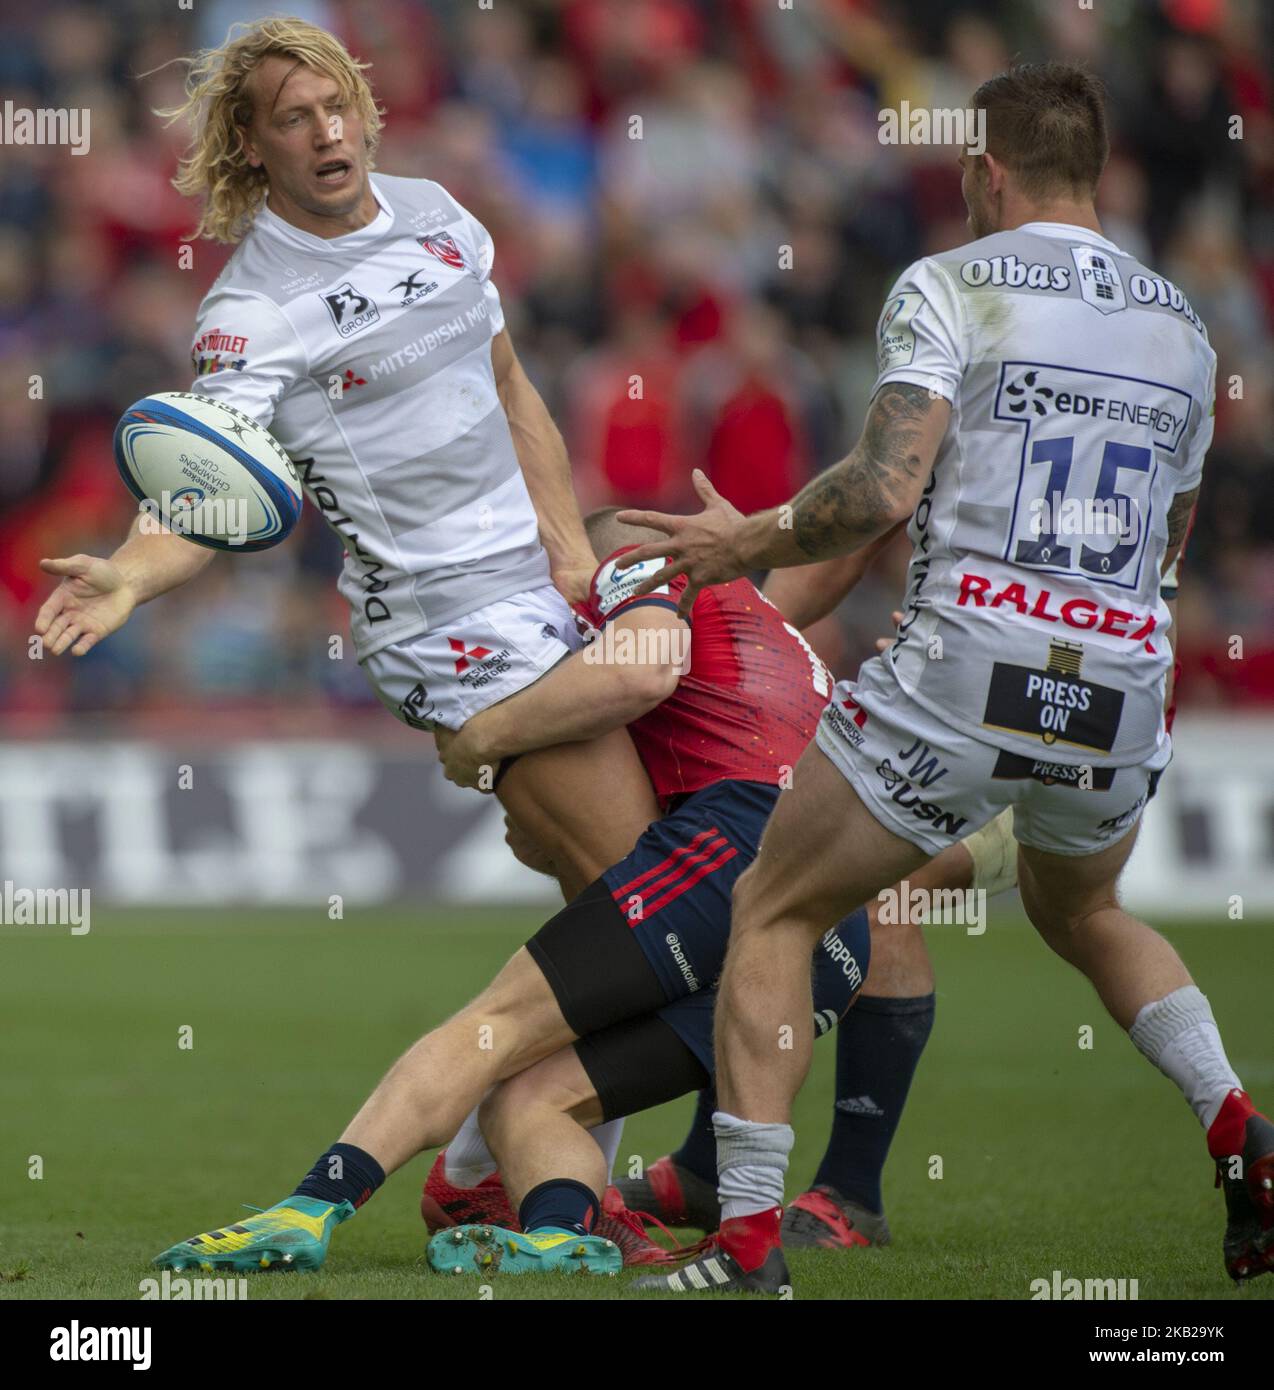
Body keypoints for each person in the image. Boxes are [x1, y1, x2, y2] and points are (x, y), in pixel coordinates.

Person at [612, 62, 1274, 1293]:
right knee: (1083, 912)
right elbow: (1170, 538)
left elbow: (876, 491)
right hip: (1119, 678)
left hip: (969, 663)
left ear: (987, 170)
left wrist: (737, 543)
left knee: (775, 906)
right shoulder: (1185, 325)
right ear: (1096, 170)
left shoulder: (948, 285)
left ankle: (746, 1240)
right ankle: (1236, 1123)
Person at [148, 508, 1005, 1277]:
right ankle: (562, 1237)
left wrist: (482, 735)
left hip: (734, 847)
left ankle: (309, 1206)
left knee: (492, 1029)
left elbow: (637, 674)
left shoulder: (635, 566)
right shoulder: (777, 630)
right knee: (533, 1095)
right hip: (831, 924)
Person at [33, 17, 659, 902]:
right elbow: (206, 489)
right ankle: (467, 1031)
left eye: (338, 107)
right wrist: (131, 576)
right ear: (250, 145)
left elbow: (512, 387)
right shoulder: (249, 311)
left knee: (650, 901)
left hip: (538, 584)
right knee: (652, 896)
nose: (327, 132)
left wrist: (571, 559)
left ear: (364, 113)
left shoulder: (439, 212)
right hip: (444, 624)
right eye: (294, 119)